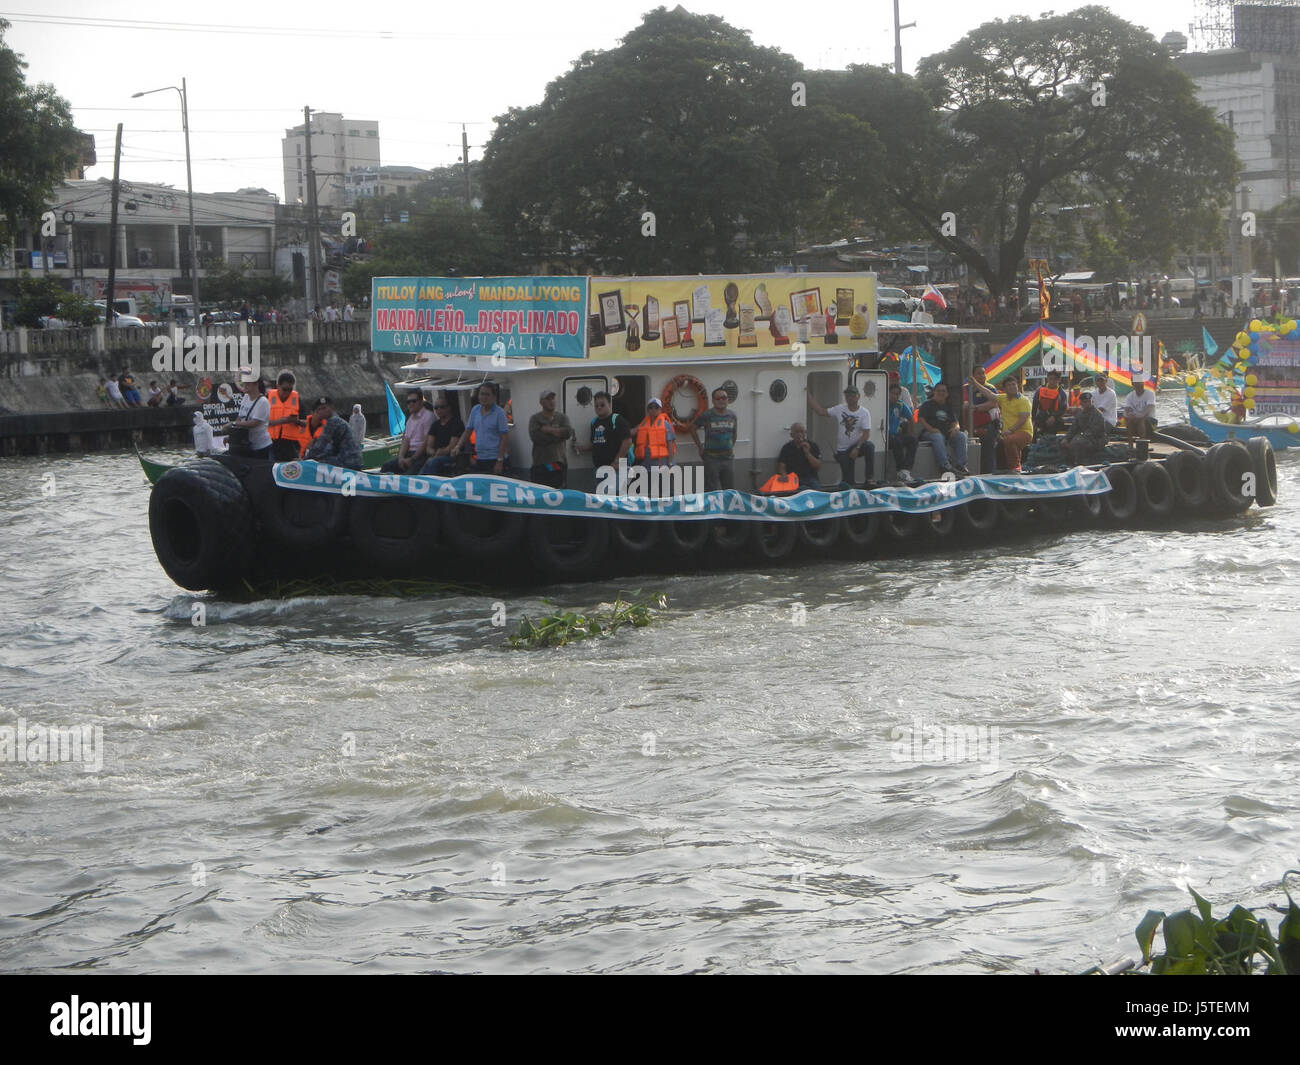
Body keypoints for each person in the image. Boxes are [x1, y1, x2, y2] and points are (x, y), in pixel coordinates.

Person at [807, 385, 874, 486]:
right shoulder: (839, 409)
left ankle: (869, 478)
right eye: (847, 395)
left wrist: (857, 448)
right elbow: (821, 411)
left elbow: (866, 434)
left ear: (858, 396)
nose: (849, 398)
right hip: (843, 450)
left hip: (856, 446)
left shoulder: (864, 413)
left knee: (869, 446)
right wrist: (807, 394)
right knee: (848, 481)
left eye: (852, 395)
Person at [452, 382, 511, 473]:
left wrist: (500, 460)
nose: (484, 397)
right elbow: (468, 431)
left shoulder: (499, 413)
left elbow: (504, 438)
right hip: (480, 458)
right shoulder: (475, 410)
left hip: (495, 458)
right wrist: (458, 446)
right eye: (482, 394)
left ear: (494, 397)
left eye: (487, 394)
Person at [689, 387, 738, 490]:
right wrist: (700, 447)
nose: (721, 400)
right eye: (718, 398)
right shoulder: (707, 415)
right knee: (711, 490)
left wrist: (729, 447)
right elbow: (693, 428)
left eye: (724, 398)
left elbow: (734, 433)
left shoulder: (732, 416)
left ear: (727, 400)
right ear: (713, 401)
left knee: (729, 490)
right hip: (711, 459)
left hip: (728, 459)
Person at [917, 381, 970, 475]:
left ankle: (960, 465)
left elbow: (955, 422)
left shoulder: (948, 406)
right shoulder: (927, 405)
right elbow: (921, 420)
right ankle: (944, 465)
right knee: (937, 436)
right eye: (938, 391)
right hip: (930, 433)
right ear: (934, 392)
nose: (941, 393)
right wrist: (932, 430)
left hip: (946, 433)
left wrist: (956, 428)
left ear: (947, 394)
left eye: (943, 391)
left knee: (961, 436)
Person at [381, 390, 435, 473]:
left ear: (421, 402)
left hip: (421, 455)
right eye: (408, 402)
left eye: (414, 401)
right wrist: (401, 458)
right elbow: (406, 440)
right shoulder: (410, 419)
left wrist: (412, 459)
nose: (411, 404)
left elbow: (426, 442)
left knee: (408, 475)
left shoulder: (428, 416)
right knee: (386, 467)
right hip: (409, 453)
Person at [528, 388, 573, 487]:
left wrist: (549, 430)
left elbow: (568, 432)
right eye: (547, 399)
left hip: (558, 463)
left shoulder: (562, 417)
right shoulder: (535, 419)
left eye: (552, 398)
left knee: (559, 494)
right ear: (541, 402)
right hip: (540, 464)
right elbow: (536, 437)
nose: (551, 401)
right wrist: (558, 434)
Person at [577, 390, 632, 469]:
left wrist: (617, 461)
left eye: (602, 405)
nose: (599, 407)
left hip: (617, 469)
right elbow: (596, 443)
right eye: (596, 405)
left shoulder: (617, 420)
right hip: (600, 469)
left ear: (609, 405)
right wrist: (582, 448)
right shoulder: (594, 422)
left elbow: (627, 442)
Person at [303, 396, 363, 469]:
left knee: (316, 463)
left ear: (332, 408)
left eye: (324, 408)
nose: (322, 411)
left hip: (348, 461)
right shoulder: (335, 421)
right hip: (353, 460)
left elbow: (321, 445)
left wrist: (305, 460)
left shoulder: (333, 422)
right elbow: (329, 448)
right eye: (319, 409)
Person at [221, 377, 273, 459]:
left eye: (247, 383)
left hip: (261, 447)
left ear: (256, 384)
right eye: (244, 383)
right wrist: (233, 436)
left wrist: (232, 423)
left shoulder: (263, 401)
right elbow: (240, 417)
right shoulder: (245, 397)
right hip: (247, 445)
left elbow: (254, 423)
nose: (244, 385)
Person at [267, 371, 311, 461]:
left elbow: (307, 423)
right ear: (278, 386)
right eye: (284, 389)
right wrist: (283, 420)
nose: (287, 393)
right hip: (271, 443)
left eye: (290, 390)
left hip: (291, 445)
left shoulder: (297, 400)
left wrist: (296, 421)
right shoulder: (268, 398)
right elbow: (262, 422)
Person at [419, 394, 465, 475]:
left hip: (453, 458)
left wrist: (437, 454)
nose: (439, 410)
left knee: (433, 462)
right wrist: (434, 453)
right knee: (424, 462)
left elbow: (451, 447)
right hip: (436, 456)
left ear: (449, 408)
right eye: (436, 408)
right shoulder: (435, 425)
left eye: (442, 407)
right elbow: (428, 448)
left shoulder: (457, 423)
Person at [966, 364, 1001, 471]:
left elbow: (993, 403)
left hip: (987, 425)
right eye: (979, 373)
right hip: (970, 426)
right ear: (972, 375)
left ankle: (990, 473)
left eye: (983, 373)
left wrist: (976, 407)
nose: (982, 376)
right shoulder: (966, 389)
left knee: (988, 451)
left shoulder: (990, 388)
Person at [996, 377, 1033, 472]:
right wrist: (975, 384)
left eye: (1014, 384)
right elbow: (990, 395)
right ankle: (1007, 468)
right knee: (1000, 444)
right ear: (1004, 389)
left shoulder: (1023, 400)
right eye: (1009, 385)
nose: (1012, 387)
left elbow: (1023, 419)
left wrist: (1010, 430)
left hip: (1025, 432)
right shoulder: (1003, 398)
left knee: (1009, 440)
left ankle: (1016, 467)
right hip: (1010, 433)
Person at [1062, 391, 1107, 465]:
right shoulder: (1080, 414)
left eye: (1089, 401)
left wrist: (1076, 438)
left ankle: (1081, 463)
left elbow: (1094, 431)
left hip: (1097, 440)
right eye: (1085, 402)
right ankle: (1068, 461)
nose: (1087, 404)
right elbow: (1073, 429)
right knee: (1061, 441)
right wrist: (1066, 438)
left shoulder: (1098, 415)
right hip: (1084, 438)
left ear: (1092, 402)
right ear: (1081, 403)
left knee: (1078, 442)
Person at [886, 383, 918, 481]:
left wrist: (910, 433)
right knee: (897, 441)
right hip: (885, 436)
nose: (894, 396)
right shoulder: (882, 403)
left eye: (897, 394)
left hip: (896, 434)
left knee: (913, 440)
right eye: (892, 393)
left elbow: (911, 419)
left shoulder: (900, 405)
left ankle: (905, 470)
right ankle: (899, 469)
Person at [776, 422, 823, 488]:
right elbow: (781, 465)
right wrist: (784, 475)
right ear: (791, 435)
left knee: (817, 489)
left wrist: (807, 453)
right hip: (793, 479)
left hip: (810, 478)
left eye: (802, 432)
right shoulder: (787, 447)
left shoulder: (813, 445)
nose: (800, 434)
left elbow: (818, 467)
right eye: (797, 432)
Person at [633, 397, 676, 467]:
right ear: (647, 410)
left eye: (656, 407)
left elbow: (670, 445)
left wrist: (670, 462)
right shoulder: (642, 424)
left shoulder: (666, 424)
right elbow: (631, 432)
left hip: (661, 464)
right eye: (651, 407)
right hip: (645, 464)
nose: (653, 409)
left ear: (660, 410)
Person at [1032, 369, 1069, 436]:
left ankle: (1050, 440)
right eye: (1050, 379)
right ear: (1047, 379)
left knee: (1056, 424)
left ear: (1059, 380)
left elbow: (1063, 409)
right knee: (1035, 427)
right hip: (1041, 417)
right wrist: (1033, 420)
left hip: (1055, 418)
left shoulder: (1062, 393)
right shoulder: (1039, 390)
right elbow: (1034, 406)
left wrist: (1053, 417)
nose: (1052, 381)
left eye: (1055, 379)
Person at [1123, 376, 1157, 442]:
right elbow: (1127, 409)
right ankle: (1130, 444)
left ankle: (1142, 443)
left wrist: (1140, 416)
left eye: (1140, 382)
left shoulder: (1150, 394)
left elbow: (1149, 408)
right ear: (1133, 384)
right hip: (1135, 418)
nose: (1139, 384)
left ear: (1143, 383)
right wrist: (1130, 416)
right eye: (1136, 382)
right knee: (1129, 421)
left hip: (1150, 420)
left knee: (1141, 420)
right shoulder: (1130, 395)